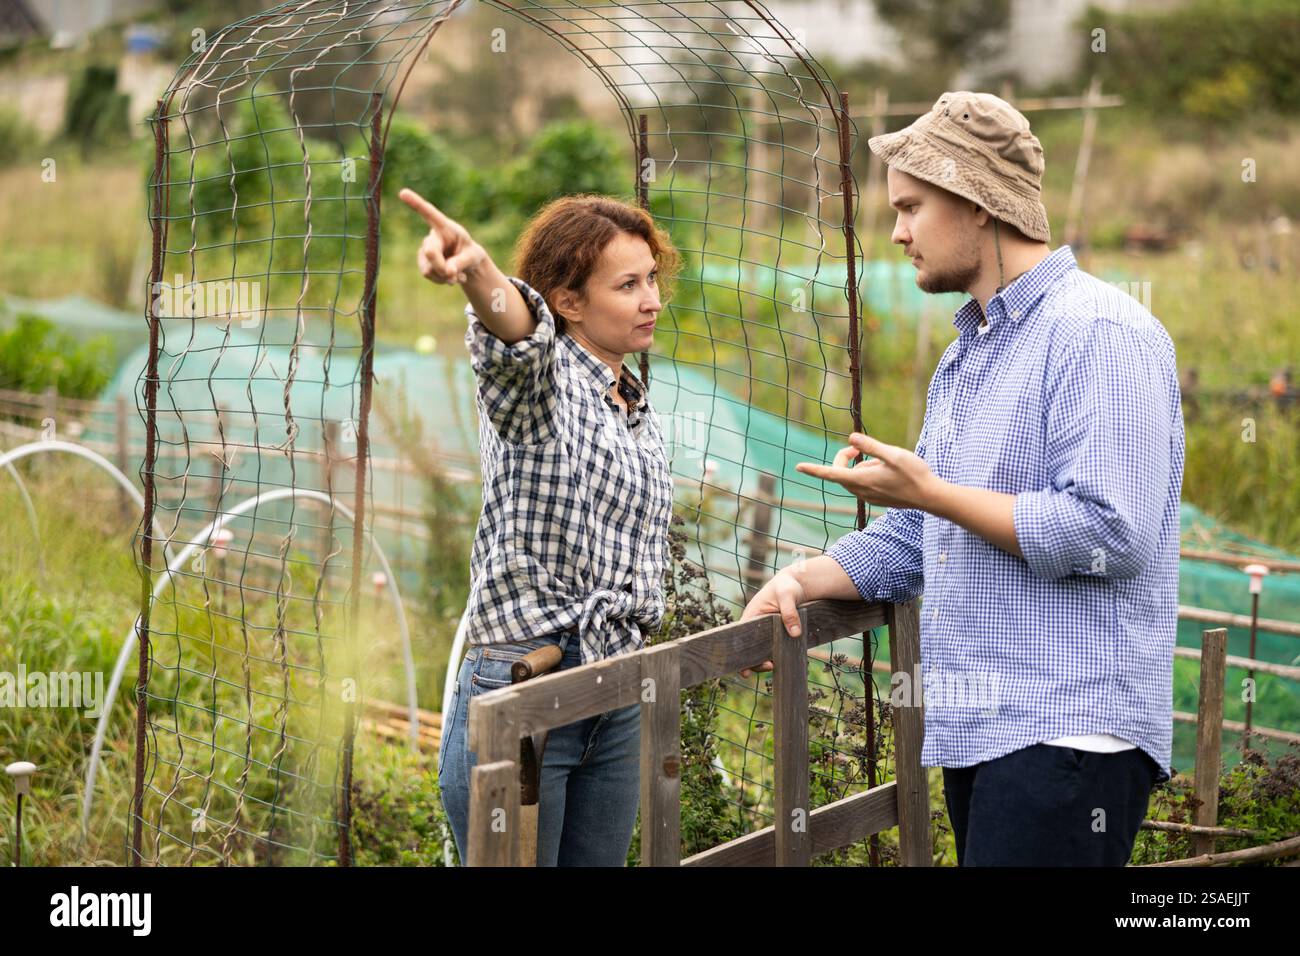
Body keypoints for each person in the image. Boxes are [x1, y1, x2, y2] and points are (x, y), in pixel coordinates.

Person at [741, 92, 1185, 866]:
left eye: (912, 207)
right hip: (986, 728)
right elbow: (927, 532)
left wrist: (930, 492)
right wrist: (806, 578)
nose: (898, 231)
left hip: (1069, 733)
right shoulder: (969, 354)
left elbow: (1112, 534)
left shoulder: (1099, 332)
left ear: (978, 202)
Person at [400, 187, 680, 866]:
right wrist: (476, 273)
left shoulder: (630, 404)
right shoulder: (542, 386)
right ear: (570, 301)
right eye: (628, 285)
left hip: (614, 687)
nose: (652, 301)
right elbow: (516, 332)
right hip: (525, 684)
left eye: (652, 280)